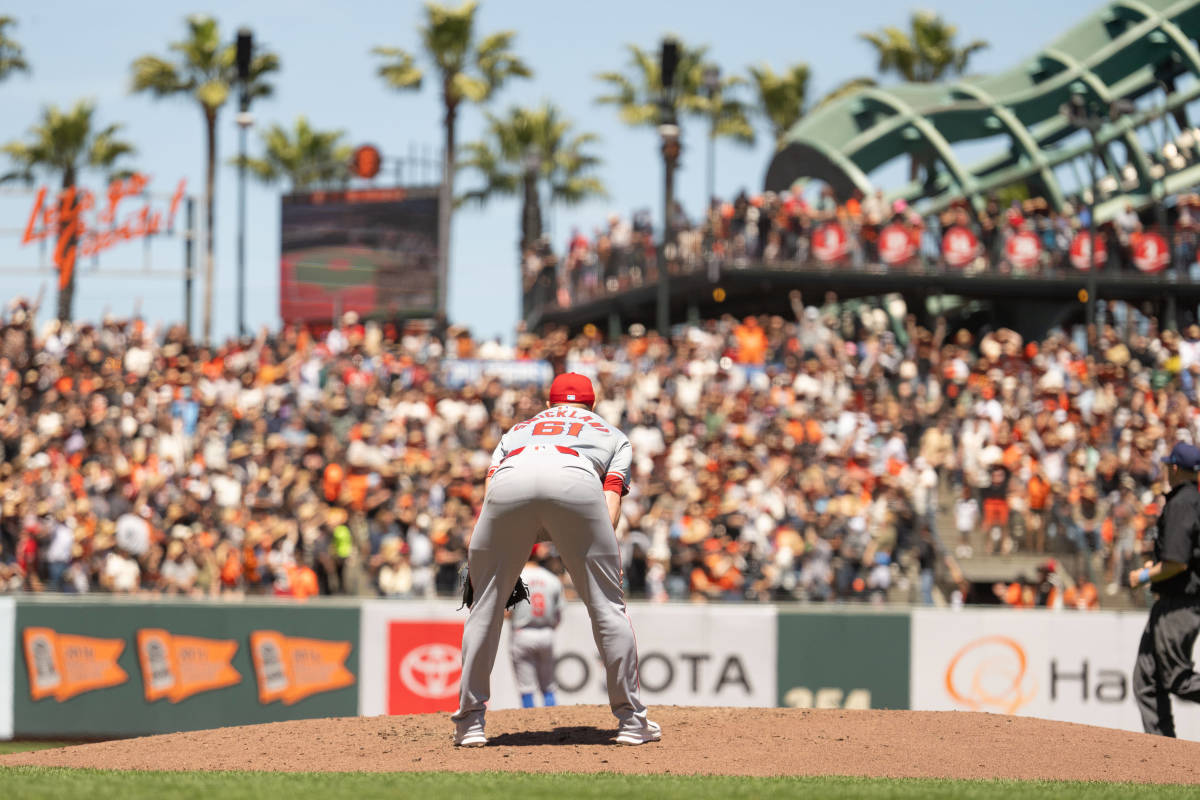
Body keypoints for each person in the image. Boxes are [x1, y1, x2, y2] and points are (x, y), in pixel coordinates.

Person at [451, 373, 659, 747]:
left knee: (484, 608)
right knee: (608, 609)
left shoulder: (517, 431)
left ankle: (469, 723)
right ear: (591, 406)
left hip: (511, 478)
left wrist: (505, 555)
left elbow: (491, 498)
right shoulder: (613, 434)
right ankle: (631, 721)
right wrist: (579, 543)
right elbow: (609, 509)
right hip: (576, 476)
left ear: (550, 406)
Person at [1130, 442, 1200, 737]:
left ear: (1174, 468)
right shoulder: (1187, 499)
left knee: (1178, 679)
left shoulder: (1183, 502)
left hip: (1179, 603)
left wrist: (1144, 574)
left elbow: (1177, 563)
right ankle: (1162, 757)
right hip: (1170, 601)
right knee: (1146, 679)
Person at [508, 545, 563, 708]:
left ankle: (530, 727)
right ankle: (554, 723)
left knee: (526, 688)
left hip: (522, 633)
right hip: (546, 632)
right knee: (548, 685)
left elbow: (506, 613)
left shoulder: (515, 577)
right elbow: (559, 615)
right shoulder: (552, 578)